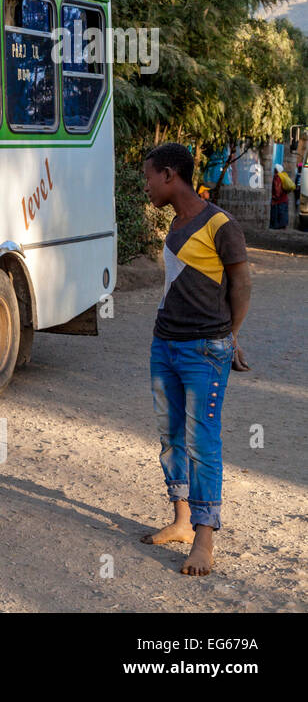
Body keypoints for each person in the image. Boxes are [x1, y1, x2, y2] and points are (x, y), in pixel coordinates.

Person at [140, 143, 252, 576]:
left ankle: (204, 539)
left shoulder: (222, 224)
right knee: (170, 437)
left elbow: (241, 284)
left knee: (202, 441)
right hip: (163, 345)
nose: (146, 186)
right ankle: (182, 521)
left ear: (169, 175)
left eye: (149, 177)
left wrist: (232, 338)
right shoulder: (175, 222)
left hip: (205, 349)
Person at [270, 163, 292, 229]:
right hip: (284, 198)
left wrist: (275, 197)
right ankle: (283, 226)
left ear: (276, 170)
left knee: (278, 213)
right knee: (283, 213)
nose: (274, 170)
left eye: (275, 169)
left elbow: (277, 188)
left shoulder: (277, 177)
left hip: (279, 199)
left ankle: (277, 226)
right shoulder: (283, 176)